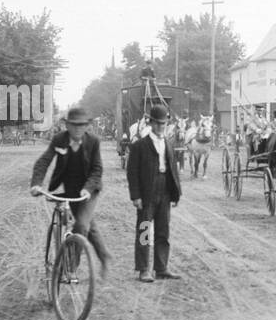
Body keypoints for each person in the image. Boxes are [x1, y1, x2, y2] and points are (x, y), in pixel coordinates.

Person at [29, 105, 111, 276]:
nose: (78, 128)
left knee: (81, 224)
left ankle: (70, 267)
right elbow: (44, 161)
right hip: (69, 189)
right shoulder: (59, 139)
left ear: (87, 125)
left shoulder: (93, 141)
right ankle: (104, 256)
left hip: (89, 191)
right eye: (74, 125)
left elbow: (97, 169)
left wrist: (88, 189)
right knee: (88, 225)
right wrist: (37, 184)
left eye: (82, 125)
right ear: (67, 125)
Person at [127, 102, 182, 282]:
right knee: (144, 231)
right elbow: (132, 173)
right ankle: (143, 269)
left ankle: (161, 267)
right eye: (157, 123)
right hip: (146, 192)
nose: (160, 127)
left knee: (163, 231)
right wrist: (136, 196)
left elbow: (173, 169)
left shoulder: (168, 144)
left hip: (164, 190)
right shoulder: (140, 146)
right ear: (150, 123)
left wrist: (175, 194)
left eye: (163, 124)